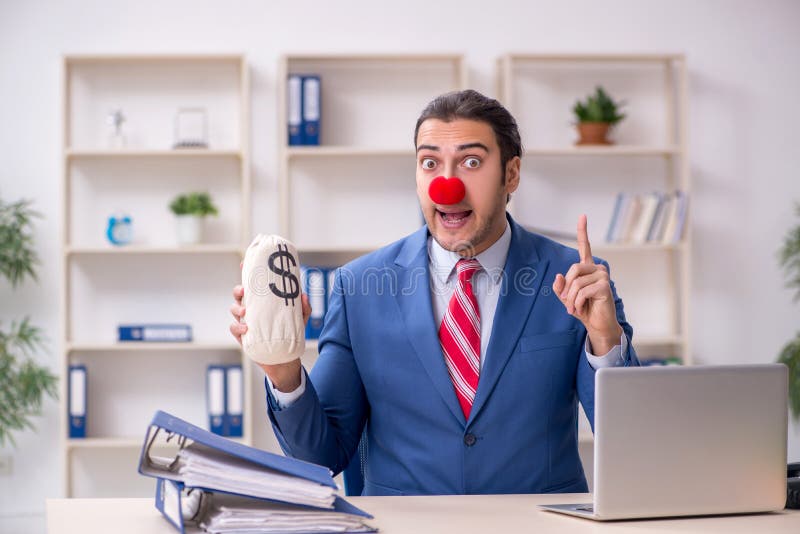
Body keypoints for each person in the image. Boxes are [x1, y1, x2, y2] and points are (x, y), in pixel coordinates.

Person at [230, 90, 639, 496]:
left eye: (471, 162)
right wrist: (282, 371)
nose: (447, 185)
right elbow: (321, 458)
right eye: (430, 163)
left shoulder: (578, 280)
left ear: (511, 174)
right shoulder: (358, 288)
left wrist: (605, 340)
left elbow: (629, 444)